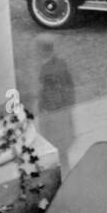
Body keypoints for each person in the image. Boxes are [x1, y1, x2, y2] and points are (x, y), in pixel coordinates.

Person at [36, 36, 76, 164]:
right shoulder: (57, 64)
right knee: (60, 147)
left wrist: (45, 109)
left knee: (57, 146)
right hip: (58, 110)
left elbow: (54, 91)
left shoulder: (51, 69)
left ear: (43, 50)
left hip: (55, 111)